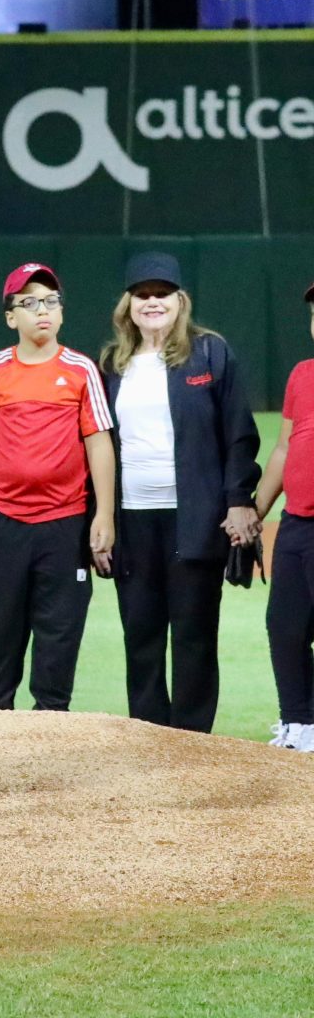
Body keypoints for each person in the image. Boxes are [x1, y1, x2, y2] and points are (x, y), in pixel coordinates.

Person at [99, 252, 260, 733]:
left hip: (195, 517)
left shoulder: (209, 353)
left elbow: (238, 432)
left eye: (162, 293)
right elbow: (97, 444)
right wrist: (100, 519)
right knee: (141, 634)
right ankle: (149, 737)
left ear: (180, 300)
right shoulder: (111, 363)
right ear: (127, 304)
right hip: (134, 519)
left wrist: (238, 499)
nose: (152, 302)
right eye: (142, 294)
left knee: (194, 635)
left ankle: (192, 742)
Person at [0, 263, 115, 711]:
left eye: (50, 301)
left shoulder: (80, 370)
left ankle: (51, 721)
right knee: (1, 628)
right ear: (11, 317)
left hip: (65, 523)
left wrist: (104, 515)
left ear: (61, 313)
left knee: (59, 632)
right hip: (3, 520)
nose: (41, 310)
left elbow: (99, 441)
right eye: (29, 303)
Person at [254, 281, 314, 752]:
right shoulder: (302, 374)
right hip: (296, 523)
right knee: (286, 625)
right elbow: (282, 448)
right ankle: (299, 725)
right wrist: (256, 512)